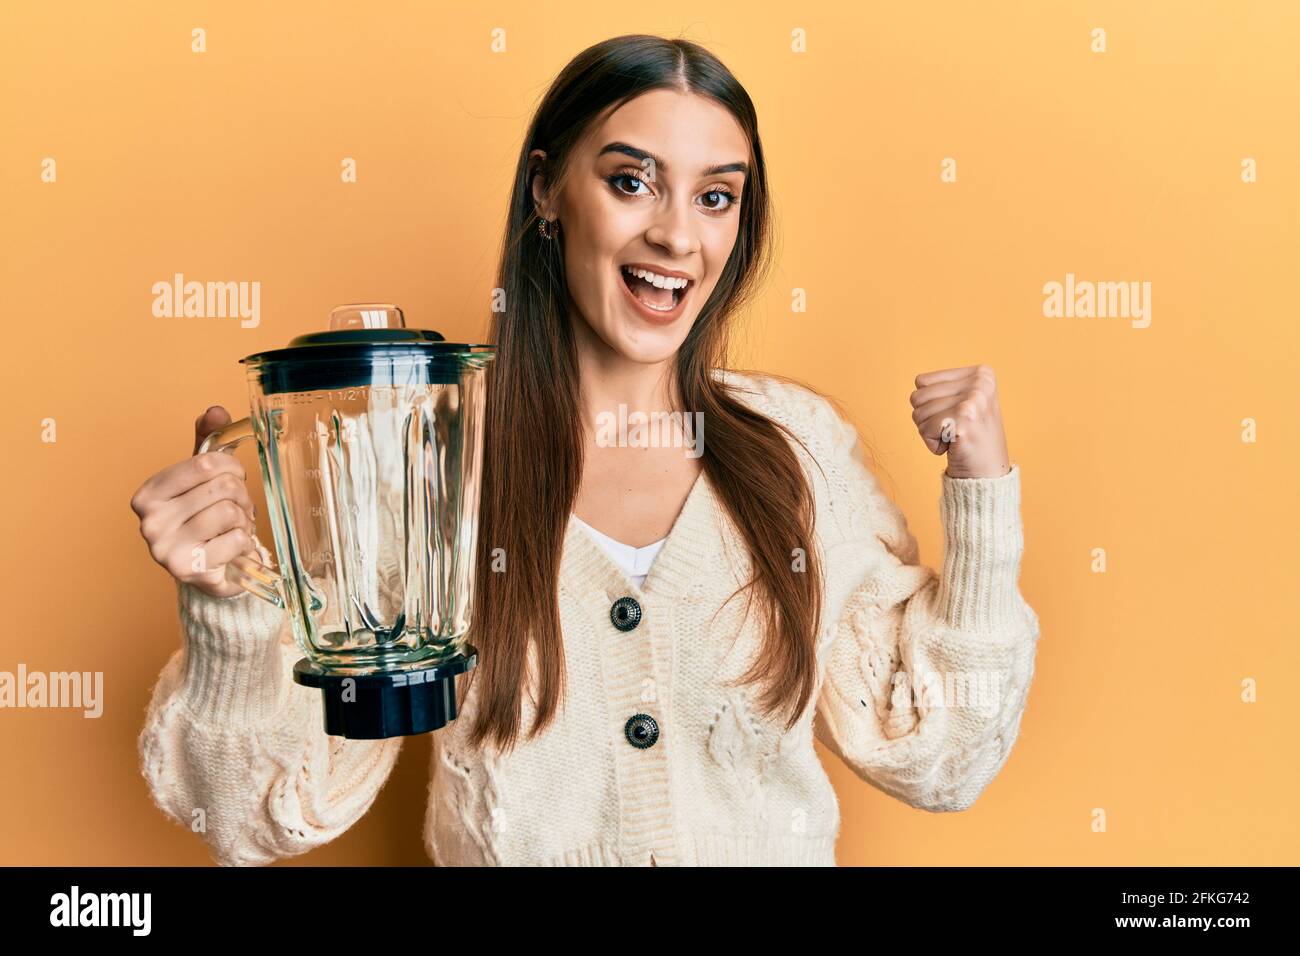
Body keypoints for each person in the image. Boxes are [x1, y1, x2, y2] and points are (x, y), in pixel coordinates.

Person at [130, 34, 1040, 867]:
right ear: (545, 191)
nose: (678, 235)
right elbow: (257, 811)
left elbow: (939, 761)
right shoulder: (425, 462)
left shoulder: (795, 451)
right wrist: (229, 613)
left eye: (715, 196)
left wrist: (983, 494)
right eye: (632, 181)